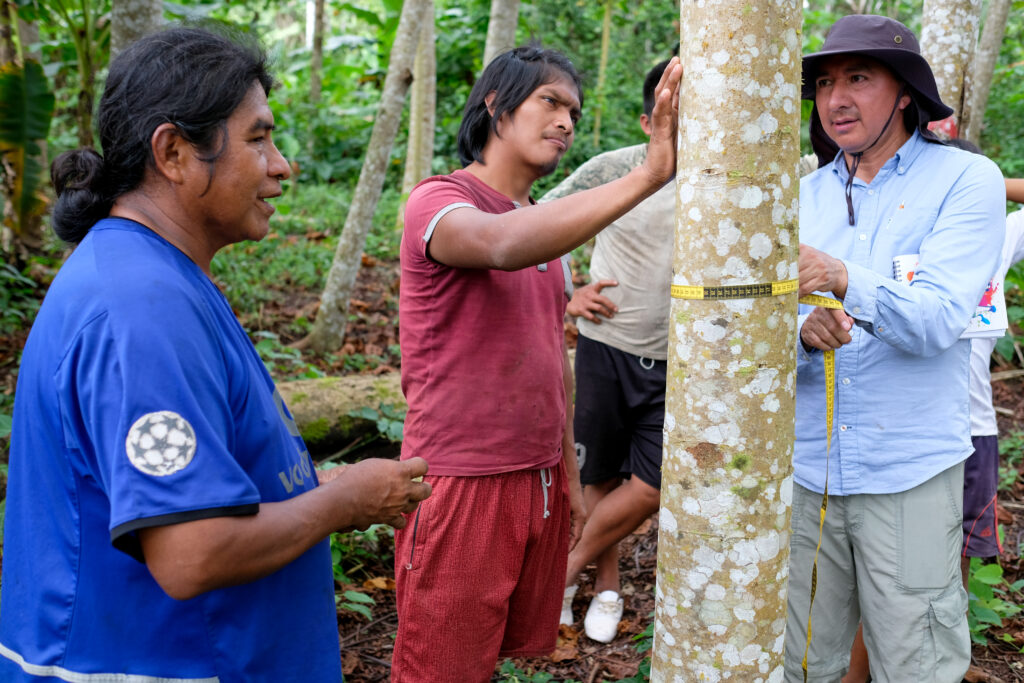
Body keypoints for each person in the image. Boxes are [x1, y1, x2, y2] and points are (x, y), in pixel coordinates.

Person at [0, 27, 431, 682]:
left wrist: (317, 484)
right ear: (174, 151)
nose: (281, 164)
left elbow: (191, 482)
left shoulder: (156, 276)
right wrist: (347, 504)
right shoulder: (141, 308)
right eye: (258, 138)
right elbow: (191, 553)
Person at [393, 46, 681, 682]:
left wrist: (569, 476)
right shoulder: (440, 201)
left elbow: (554, 353)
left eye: (573, 110)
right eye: (550, 102)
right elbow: (497, 247)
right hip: (463, 476)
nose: (565, 121)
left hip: (538, 477)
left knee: (486, 659)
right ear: (496, 106)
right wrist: (650, 173)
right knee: (439, 667)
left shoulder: (538, 223)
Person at [788, 15, 1006, 682]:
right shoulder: (799, 196)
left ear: (906, 90)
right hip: (807, 476)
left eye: (859, 78)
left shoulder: (966, 182)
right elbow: (760, 323)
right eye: (825, 83)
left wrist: (842, 277)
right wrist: (800, 328)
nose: (836, 99)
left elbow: (941, 318)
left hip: (910, 472)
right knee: (803, 661)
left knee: (918, 663)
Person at [842, 158, 1024, 683]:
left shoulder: (991, 233)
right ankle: (860, 670)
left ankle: (948, 651)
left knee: (960, 546)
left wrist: (982, 182)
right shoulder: (893, 234)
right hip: (904, 427)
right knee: (887, 561)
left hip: (974, 427)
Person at [538, 58, 672, 644]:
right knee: (599, 471)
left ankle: (564, 571)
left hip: (680, 358)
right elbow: (534, 220)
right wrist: (567, 297)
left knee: (653, 480)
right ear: (649, 121)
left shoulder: (741, 177)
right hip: (606, 346)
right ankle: (607, 582)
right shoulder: (615, 169)